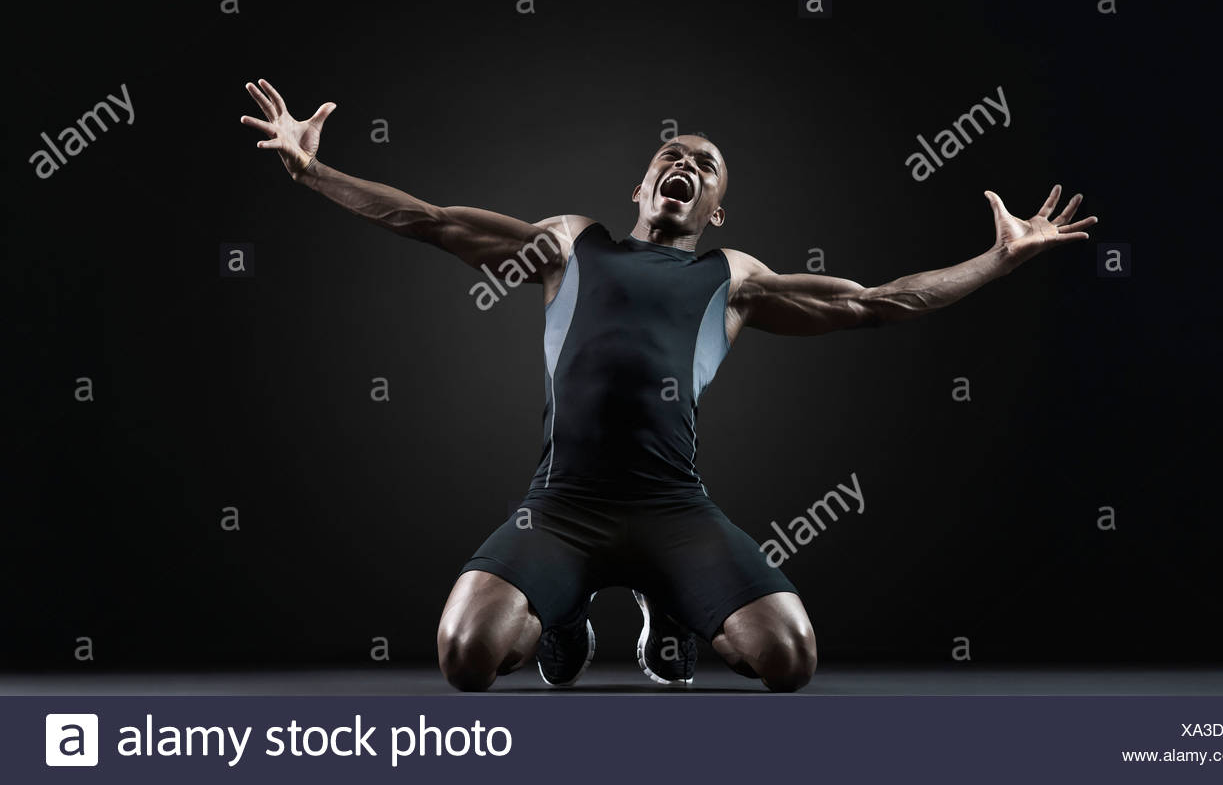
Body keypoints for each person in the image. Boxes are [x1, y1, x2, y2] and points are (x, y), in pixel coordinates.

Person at [240, 78, 1097, 692]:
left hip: (674, 509)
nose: (684, 163)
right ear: (645, 184)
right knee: (465, 658)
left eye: (705, 164)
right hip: (560, 507)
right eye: (671, 155)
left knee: (790, 661)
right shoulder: (573, 244)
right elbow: (430, 221)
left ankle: (674, 611)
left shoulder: (737, 279)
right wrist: (314, 171)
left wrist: (999, 257)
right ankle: (563, 615)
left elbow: (876, 303)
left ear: (714, 206)